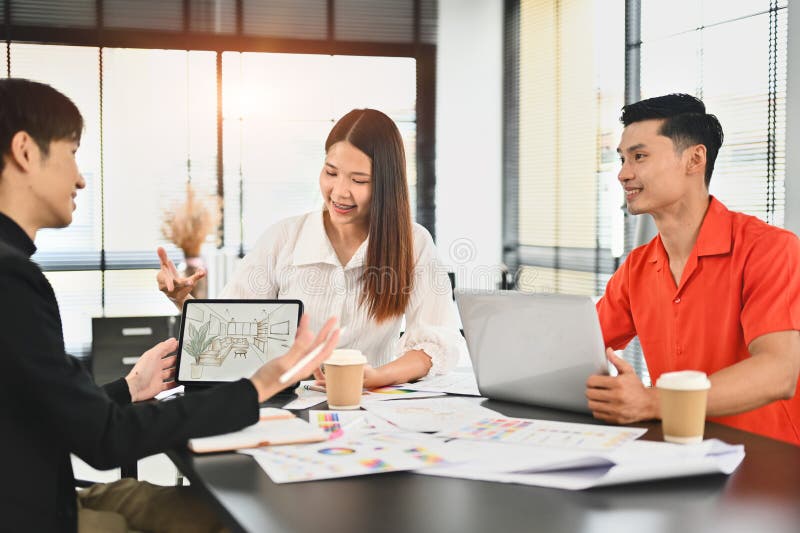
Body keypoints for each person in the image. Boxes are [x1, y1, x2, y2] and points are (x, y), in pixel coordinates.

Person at [0, 77, 341, 533]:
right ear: (25, 151)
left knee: (221, 511)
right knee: (245, 520)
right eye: (72, 153)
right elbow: (106, 441)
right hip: (41, 514)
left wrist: (128, 388)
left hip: (47, 491)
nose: (80, 178)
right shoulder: (11, 280)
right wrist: (257, 385)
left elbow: (40, 413)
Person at [158, 108, 466, 389]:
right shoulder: (282, 239)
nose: (340, 192)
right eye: (331, 173)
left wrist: (376, 377)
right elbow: (228, 329)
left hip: (373, 401)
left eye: (359, 180)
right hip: (288, 401)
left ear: (386, 184)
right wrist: (181, 299)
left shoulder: (413, 243)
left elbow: (436, 343)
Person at [586, 93, 800, 445]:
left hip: (766, 460)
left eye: (639, 156)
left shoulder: (769, 249)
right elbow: (580, 347)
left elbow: (779, 372)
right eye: (622, 159)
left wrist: (652, 401)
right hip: (679, 450)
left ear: (694, 159)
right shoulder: (637, 268)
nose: (623, 174)